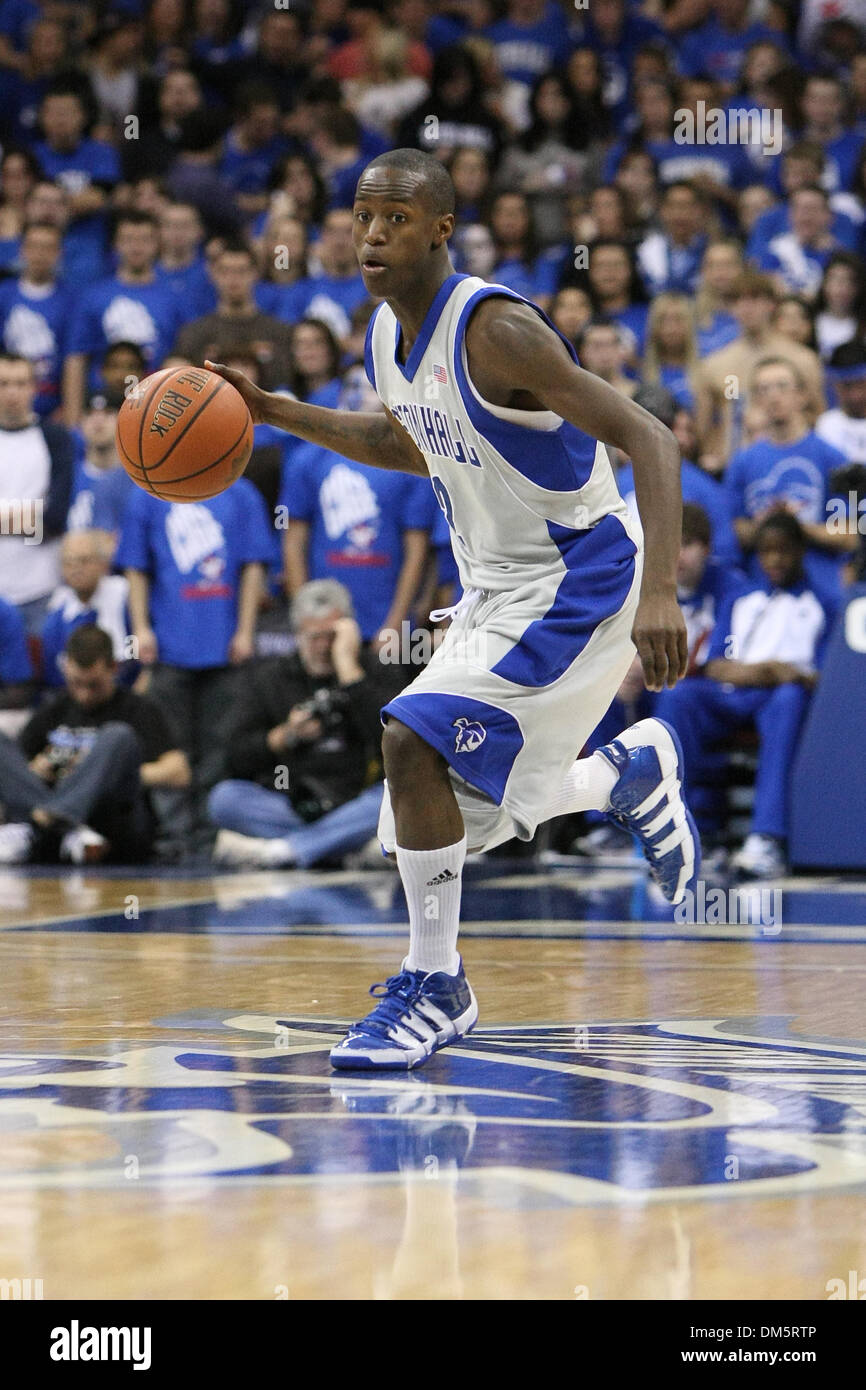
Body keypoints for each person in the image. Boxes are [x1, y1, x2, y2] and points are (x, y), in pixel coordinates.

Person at [207, 147, 698, 1071]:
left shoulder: (497, 330)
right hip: (493, 590)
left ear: (441, 229)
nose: (372, 234)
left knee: (409, 741)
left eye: (395, 217)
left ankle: (438, 984)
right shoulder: (384, 338)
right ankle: (628, 773)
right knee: (433, 814)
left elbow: (652, 438)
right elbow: (409, 444)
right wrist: (273, 409)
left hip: (577, 580)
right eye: (361, 216)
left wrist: (662, 590)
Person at [655, 513, 835, 879]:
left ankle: (766, 839)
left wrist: (787, 677)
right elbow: (717, 665)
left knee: (789, 698)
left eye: (784, 551)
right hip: (735, 693)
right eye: (766, 552)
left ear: (801, 551)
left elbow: (823, 678)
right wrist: (767, 671)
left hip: (782, 701)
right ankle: (675, 829)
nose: (775, 560)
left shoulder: (824, 603)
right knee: (681, 697)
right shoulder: (742, 599)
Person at [209, 579, 400, 868]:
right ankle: (340, 846)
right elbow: (234, 756)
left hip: (358, 798)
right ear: (297, 634)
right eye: (314, 637)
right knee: (224, 799)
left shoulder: (375, 669)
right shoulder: (270, 678)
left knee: (393, 799)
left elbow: (397, 744)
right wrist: (285, 735)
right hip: (292, 802)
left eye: (331, 636)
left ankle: (286, 850)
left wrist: (349, 673)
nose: (323, 647)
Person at [0, 624, 190, 866]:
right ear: (66, 666)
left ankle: (50, 819)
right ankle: (67, 827)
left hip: (112, 820)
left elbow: (179, 773)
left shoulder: (137, 709)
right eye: (76, 684)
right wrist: (36, 770)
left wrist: (107, 772)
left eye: (93, 685)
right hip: (60, 824)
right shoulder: (52, 711)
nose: (84, 695)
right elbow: (17, 774)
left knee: (118, 735)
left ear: (113, 668)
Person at [281, 363, 436, 645]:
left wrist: (396, 622)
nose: (361, 395)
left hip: (385, 620)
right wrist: (304, 619)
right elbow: (293, 542)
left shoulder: (412, 463)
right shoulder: (306, 459)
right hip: (323, 621)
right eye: (354, 387)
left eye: (370, 388)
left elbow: (417, 550)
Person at [0, 353, 74, 636]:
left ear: (34, 387)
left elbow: (56, 518)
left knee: (40, 678)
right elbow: (42, 520)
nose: (12, 392)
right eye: (4, 383)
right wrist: (32, 517)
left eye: (20, 383)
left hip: (40, 588)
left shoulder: (54, 438)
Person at [41, 530, 131, 689]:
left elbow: (135, 651)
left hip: (124, 692)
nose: (76, 568)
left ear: (103, 563)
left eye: (84, 560)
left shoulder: (125, 598)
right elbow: (53, 669)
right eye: (68, 563)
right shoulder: (57, 613)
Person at [0, 219, 71, 417]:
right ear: (22, 249)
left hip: (53, 407)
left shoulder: (70, 300)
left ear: (59, 253)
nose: (40, 253)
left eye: (48, 247)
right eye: (34, 246)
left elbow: (72, 358)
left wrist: (67, 407)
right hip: (6, 403)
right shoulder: (4, 295)